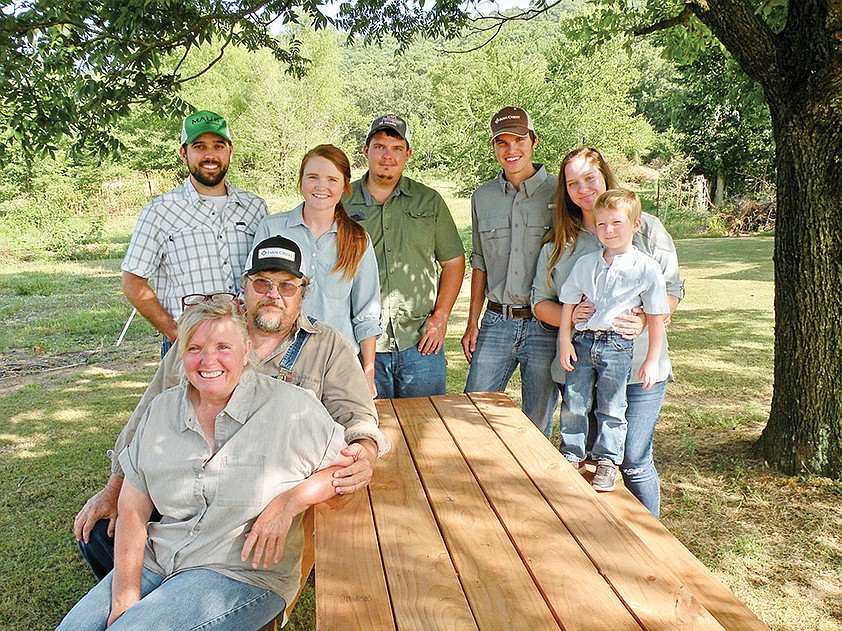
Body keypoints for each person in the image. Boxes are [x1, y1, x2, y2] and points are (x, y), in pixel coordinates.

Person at [74, 235, 389, 580]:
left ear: (302, 293)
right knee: (103, 531)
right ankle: (157, 588)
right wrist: (114, 487)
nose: (273, 295)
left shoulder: (328, 346)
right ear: (245, 287)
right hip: (190, 480)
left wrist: (364, 454)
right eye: (262, 283)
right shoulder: (204, 337)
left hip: (259, 497)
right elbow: (148, 414)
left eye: (287, 286)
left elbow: (358, 416)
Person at [57, 298, 351, 630]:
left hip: (240, 572)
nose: (208, 360)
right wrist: (125, 596)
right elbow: (134, 508)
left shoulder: (290, 407)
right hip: (162, 558)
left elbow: (347, 467)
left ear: (245, 351)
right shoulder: (162, 410)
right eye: (195, 348)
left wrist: (290, 501)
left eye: (223, 347)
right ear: (181, 356)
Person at [532, 147, 683, 516]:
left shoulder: (645, 228)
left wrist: (646, 319)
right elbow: (542, 302)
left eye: (590, 178)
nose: (583, 188)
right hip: (583, 360)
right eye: (572, 183)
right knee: (584, 457)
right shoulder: (562, 243)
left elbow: (672, 291)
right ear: (564, 190)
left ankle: (651, 544)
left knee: (632, 458)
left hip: (636, 366)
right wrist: (573, 318)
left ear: (605, 176)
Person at [121, 110, 267, 356]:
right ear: (184, 153)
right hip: (190, 345)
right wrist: (173, 332)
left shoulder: (255, 208)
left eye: (218, 146)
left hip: (246, 343)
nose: (210, 155)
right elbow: (133, 282)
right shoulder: (160, 210)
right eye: (199, 146)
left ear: (230, 151)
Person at [557, 189, 669, 492]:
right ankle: (572, 454)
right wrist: (564, 342)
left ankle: (607, 461)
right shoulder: (586, 263)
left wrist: (652, 361)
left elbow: (656, 315)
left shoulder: (645, 267)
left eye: (617, 223)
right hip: (583, 341)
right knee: (575, 402)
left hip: (617, 346)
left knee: (612, 405)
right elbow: (568, 302)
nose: (608, 231)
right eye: (602, 224)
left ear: (635, 225)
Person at [347, 114, 465, 398]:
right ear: (366, 151)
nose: (388, 156)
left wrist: (441, 317)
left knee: (427, 429)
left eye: (397, 148)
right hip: (361, 344)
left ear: (408, 154)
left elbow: (453, 262)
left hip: (421, 341)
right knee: (369, 431)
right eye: (380, 147)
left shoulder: (429, 201)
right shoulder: (342, 201)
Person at [252, 144, 382, 396]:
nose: (321, 187)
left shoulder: (357, 239)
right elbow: (255, 298)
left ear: (344, 185)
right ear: (301, 180)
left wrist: (367, 373)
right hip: (280, 364)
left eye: (332, 179)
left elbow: (368, 312)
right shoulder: (272, 229)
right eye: (313, 177)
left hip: (339, 365)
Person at [462, 107, 558, 437]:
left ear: (533, 141)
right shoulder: (483, 197)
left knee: (537, 425)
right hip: (496, 323)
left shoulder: (560, 194)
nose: (511, 149)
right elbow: (479, 263)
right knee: (471, 414)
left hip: (544, 326)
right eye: (502, 143)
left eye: (519, 140)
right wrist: (472, 322)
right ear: (494, 148)